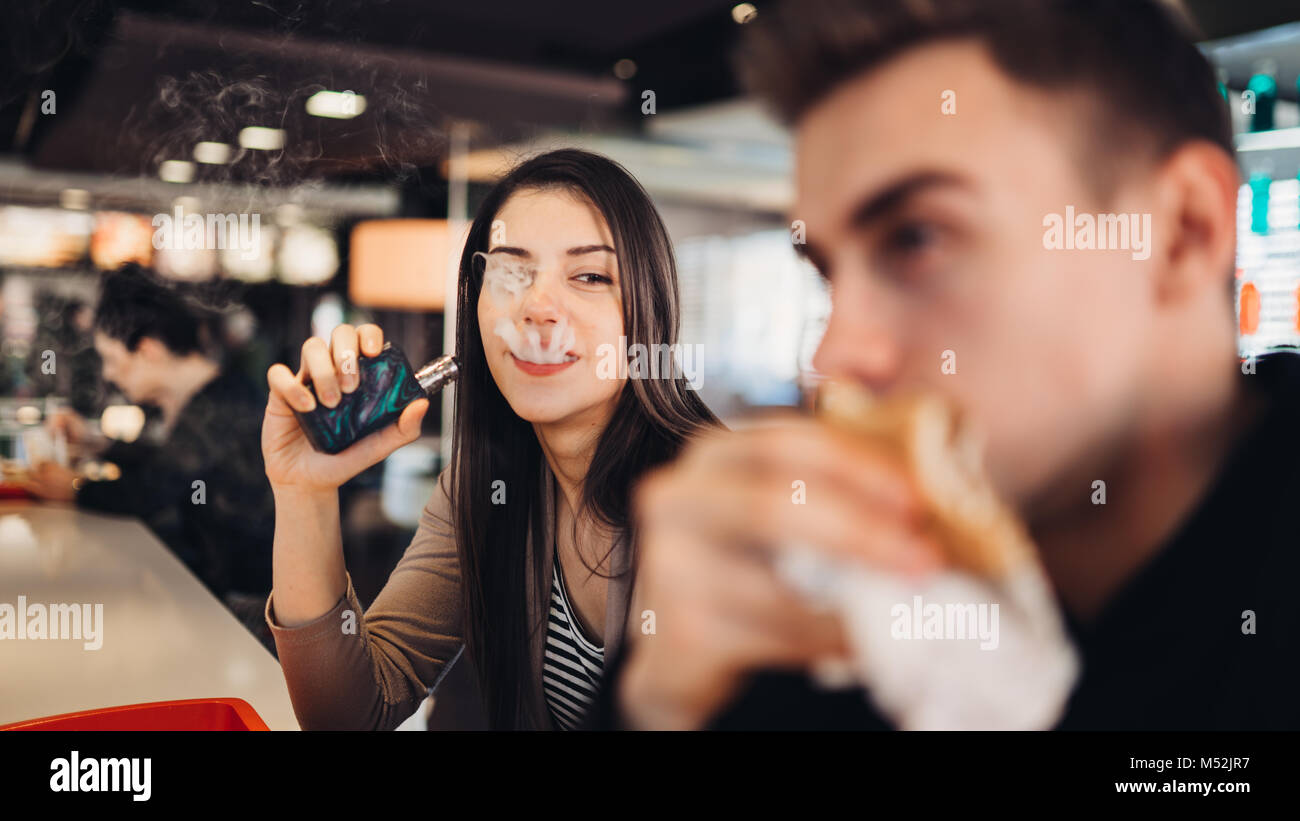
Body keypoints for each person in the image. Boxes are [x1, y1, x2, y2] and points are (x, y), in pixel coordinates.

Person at [590, 0, 1300, 730]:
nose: (834, 356)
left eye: (917, 238)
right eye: (828, 273)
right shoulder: (830, 610)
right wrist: (656, 705)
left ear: (1185, 231)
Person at [262, 149, 719, 730]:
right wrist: (302, 493)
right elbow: (352, 715)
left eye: (589, 276)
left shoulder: (718, 504)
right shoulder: (486, 485)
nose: (535, 307)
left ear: (649, 313)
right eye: (508, 272)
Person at [24, 264, 276, 633]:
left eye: (111, 359)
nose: (108, 374)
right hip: (215, 593)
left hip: (251, 612)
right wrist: (101, 445)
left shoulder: (220, 409)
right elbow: (170, 464)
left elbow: (149, 492)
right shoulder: (213, 395)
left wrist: (74, 489)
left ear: (149, 351)